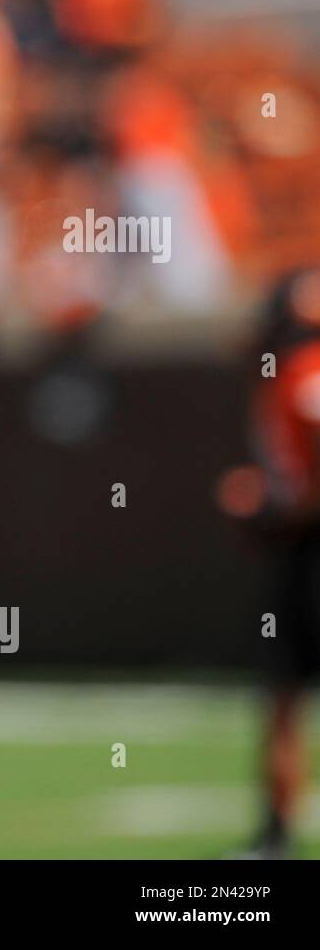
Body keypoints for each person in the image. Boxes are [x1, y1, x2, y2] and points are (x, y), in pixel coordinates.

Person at [221, 269, 320, 858]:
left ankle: (276, 836)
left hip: (309, 549)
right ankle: (275, 832)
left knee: (283, 690)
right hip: (301, 548)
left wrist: (279, 509)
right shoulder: (289, 373)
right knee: (281, 690)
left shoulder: (304, 371)